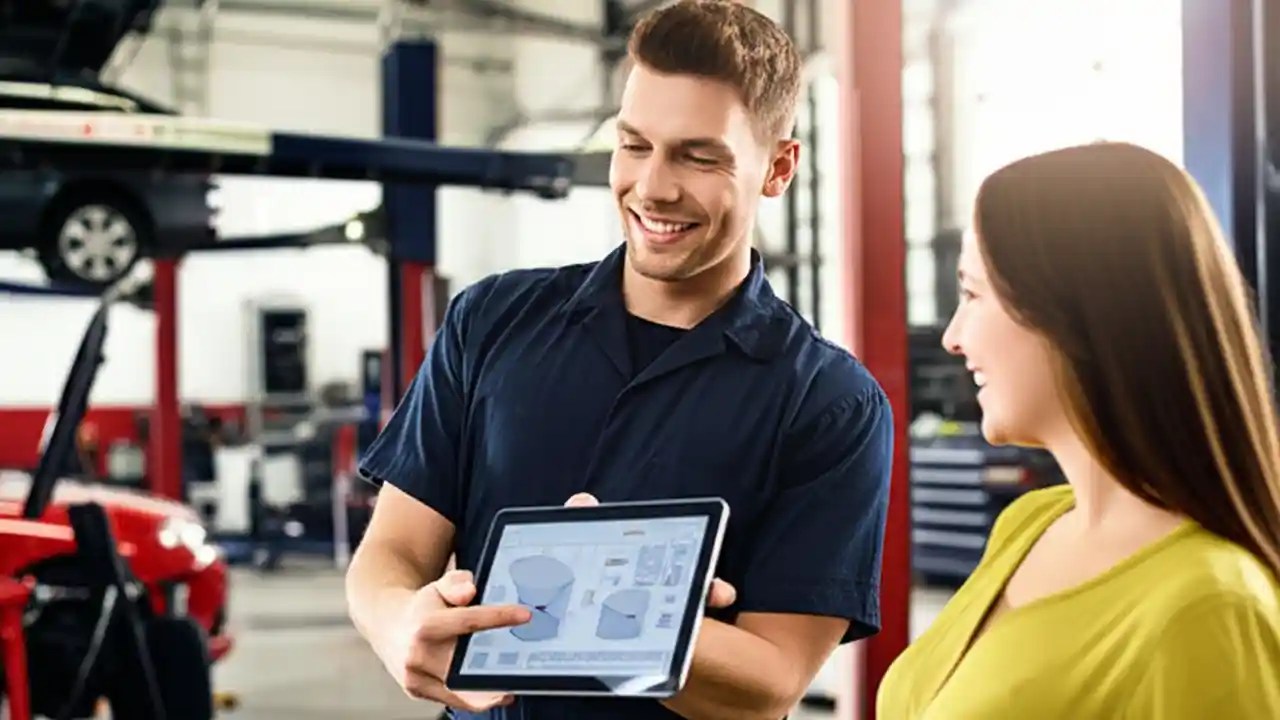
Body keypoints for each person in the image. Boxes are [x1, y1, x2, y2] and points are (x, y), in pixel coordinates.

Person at [344, 1, 894, 719]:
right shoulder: (491, 322)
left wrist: (612, 606)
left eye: (699, 156)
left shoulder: (830, 404)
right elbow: (391, 552)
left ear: (779, 168)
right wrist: (398, 624)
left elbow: (770, 683)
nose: (654, 187)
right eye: (635, 146)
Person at [877, 142, 1280, 718]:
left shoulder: (1210, 604)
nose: (953, 335)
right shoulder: (1030, 524)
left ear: (1078, 315)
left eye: (971, 294)